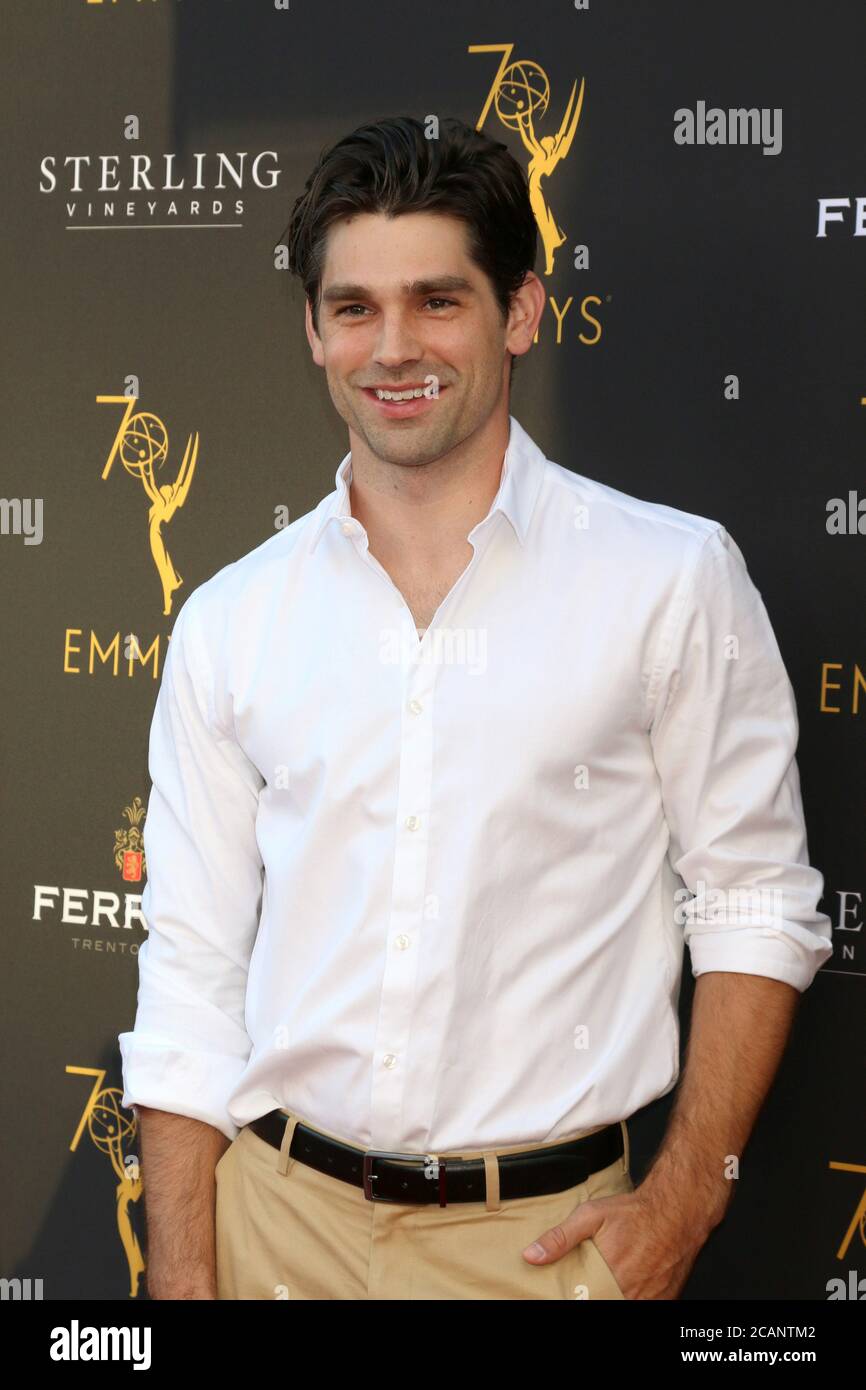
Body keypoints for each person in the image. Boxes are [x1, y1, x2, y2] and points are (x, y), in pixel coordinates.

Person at [118, 115, 833, 1301]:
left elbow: (755, 899)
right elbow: (190, 967)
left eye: (436, 301)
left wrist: (687, 1198)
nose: (391, 347)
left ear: (520, 311)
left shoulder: (667, 578)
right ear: (312, 330)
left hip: (542, 1248)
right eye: (352, 307)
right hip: (270, 1232)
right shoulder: (231, 620)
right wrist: (186, 1268)